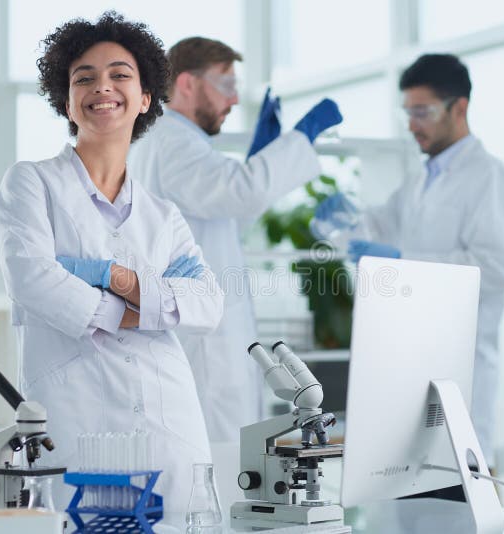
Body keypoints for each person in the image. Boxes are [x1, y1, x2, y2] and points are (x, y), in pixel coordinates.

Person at [0, 12, 224, 511]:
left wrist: (111, 279)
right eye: (85, 78)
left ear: (145, 99)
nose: (104, 86)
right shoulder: (31, 183)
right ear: (67, 101)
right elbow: (33, 279)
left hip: (170, 423)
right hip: (79, 420)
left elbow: (207, 304)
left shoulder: (164, 216)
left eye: (120, 74)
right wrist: (149, 304)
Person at [128, 37, 343, 442]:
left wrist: (265, 153)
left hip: (206, 333)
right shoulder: (172, 142)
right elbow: (239, 192)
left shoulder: (180, 143)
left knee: (228, 454)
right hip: (203, 343)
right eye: (225, 85)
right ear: (188, 84)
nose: (233, 100)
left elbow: (230, 211)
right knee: (219, 458)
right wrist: (299, 138)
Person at [316, 54, 504, 465]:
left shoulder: (490, 178)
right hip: (409, 369)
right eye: (407, 112)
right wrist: (345, 219)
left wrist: (402, 259)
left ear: (458, 108)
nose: (412, 124)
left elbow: (494, 270)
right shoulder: (418, 182)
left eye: (422, 112)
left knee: (455, 505)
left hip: (461, 374)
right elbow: (376, 230)